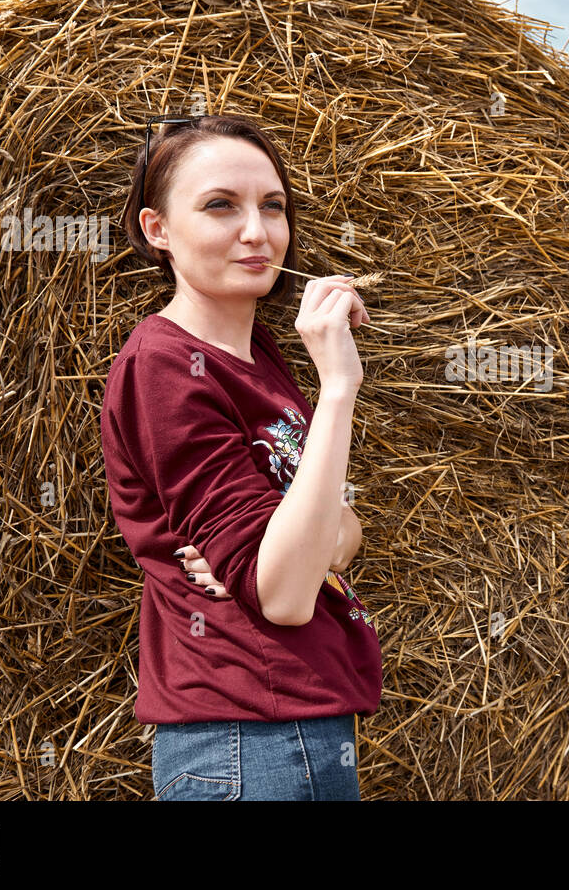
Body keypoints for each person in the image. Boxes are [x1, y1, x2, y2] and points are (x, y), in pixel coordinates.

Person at [100, 113, 380, 800]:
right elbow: (284, 594)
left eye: (273, 206)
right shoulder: (164, 365)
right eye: (221, 205)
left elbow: (341, 534)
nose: (257, 230)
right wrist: (339, 386)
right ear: (156, 229)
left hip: (296, 731)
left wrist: (305, 543)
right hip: (246, 739)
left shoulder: (262, 360)